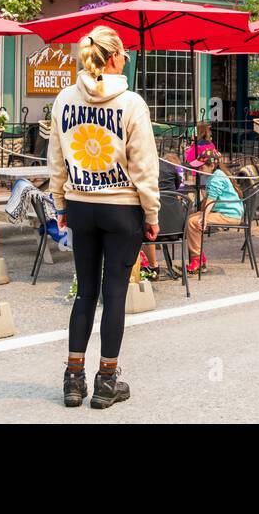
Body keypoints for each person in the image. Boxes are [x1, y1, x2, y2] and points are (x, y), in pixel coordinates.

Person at [49, 26, 159, 410]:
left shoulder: (63, 99)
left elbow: (57, 158)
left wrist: (60, 203)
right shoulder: (131, 103)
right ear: (113, 59)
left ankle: (73, 379)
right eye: (123, 54)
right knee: (114, 295)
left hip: (80, 203)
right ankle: (107, 381)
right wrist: (152, 211)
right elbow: (144, 165)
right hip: (121, 207)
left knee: (84, 292)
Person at [185, 148, 244, 272]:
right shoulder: (216, 174)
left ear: (212, 165)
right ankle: (199, 257)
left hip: (229, 215)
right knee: (191, 219)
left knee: (193, 222)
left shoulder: (217, 177)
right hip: (225, 212)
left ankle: (197, 260)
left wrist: (204, 217)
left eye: (201, 167)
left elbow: (211, 200)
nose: (199, 170)